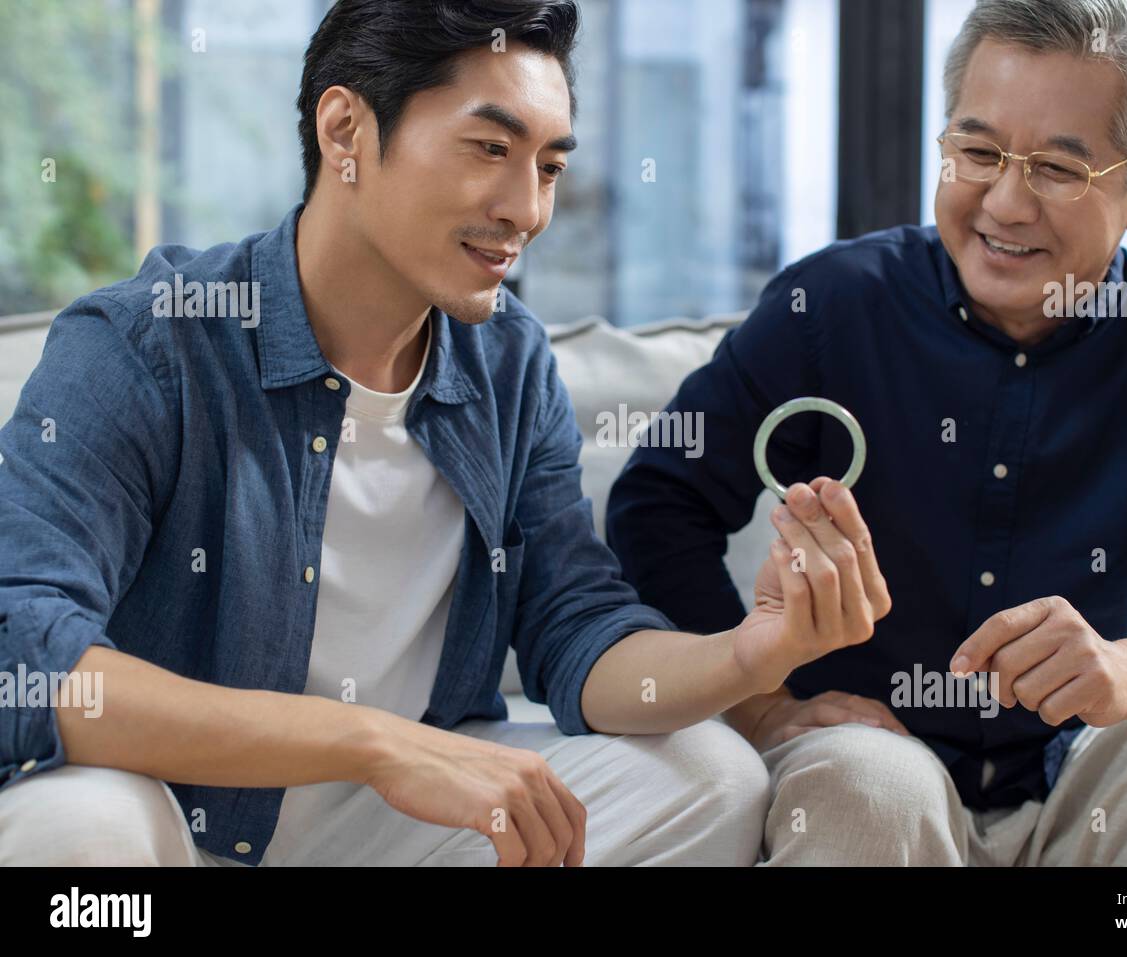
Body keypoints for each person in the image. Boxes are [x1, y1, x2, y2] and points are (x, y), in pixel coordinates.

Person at [0, 0, 882, 867]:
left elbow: (575, 627)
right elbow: (26, 654)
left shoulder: (508, 365)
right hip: (182, 817)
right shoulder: (148, 345)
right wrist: (371, 741)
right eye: (491, 149)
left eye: (548, 167)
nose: (526, 210)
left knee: (710, 773)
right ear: (345, 130)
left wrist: (752, 651)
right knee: (74, 829)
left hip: (400, 823)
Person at [607, 0, 1127, 865]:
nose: (1004, 203)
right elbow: (654, 509)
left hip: (1080, 772)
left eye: (1055, 168)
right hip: (870, 753)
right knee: (869, 788)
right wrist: (766, 705)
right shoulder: (829, 305)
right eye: (977, 153)